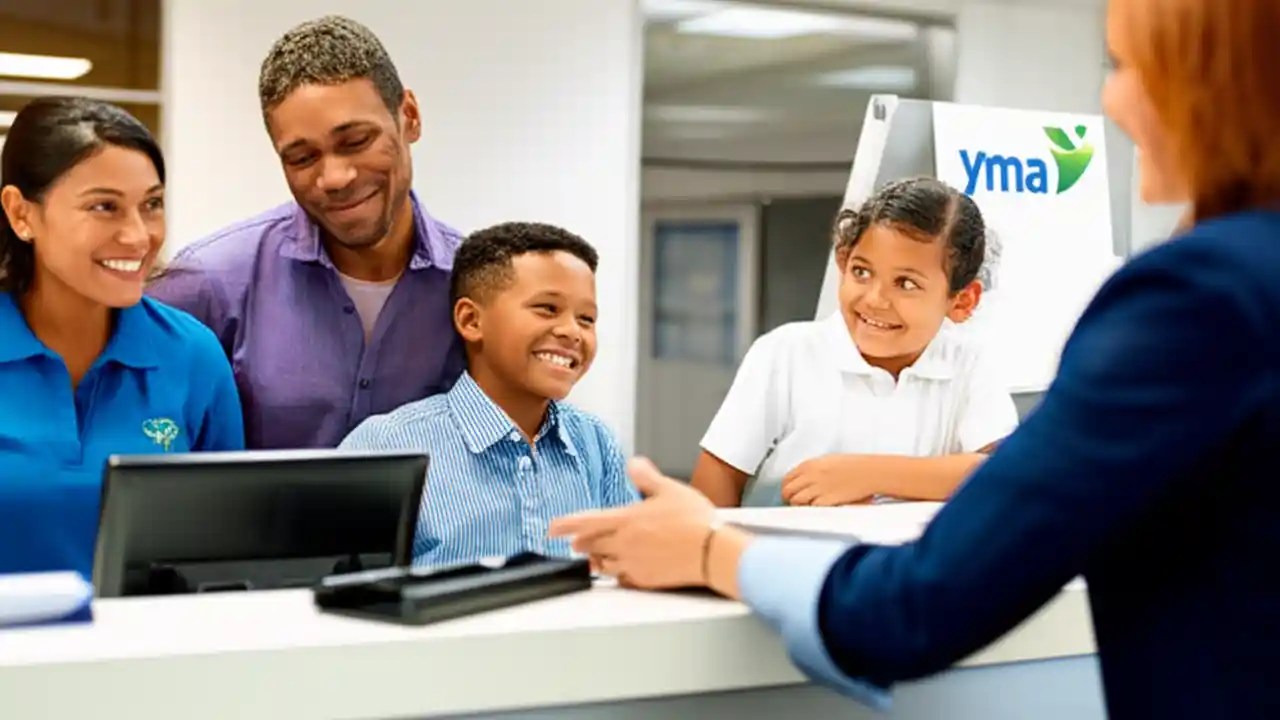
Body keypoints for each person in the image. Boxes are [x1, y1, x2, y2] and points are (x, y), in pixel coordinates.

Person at [550, 0, 1280, 716]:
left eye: (1127, 65)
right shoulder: (786, 354)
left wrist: (708, 550)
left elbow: (917, 607)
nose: (1111, 100)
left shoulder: (1203, 294)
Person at [148, 15, 464, 450]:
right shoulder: (209, 284)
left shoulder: (479, 287)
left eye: (355, 141)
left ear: (409, 116)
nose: (334, 177)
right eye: (301, 158)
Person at [0, 98, 244, 578]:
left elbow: (228, 555)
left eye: (151, 205)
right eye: (104, 207)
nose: (138, 236)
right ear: (21, 214)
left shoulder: (193, 357)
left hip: (151, 651)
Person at [694, 178, 1015, 507]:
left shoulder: (969, 364)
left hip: (906, 556)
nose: (875, 299)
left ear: (962, 301)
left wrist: (868, 475)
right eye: (861, 272)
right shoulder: (786, 354)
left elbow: (1006, 475)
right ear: (843, 262)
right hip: (787, 553)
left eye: (905, 283)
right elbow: (715, 483)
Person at [341, 222, 638, 567]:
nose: (573, 332)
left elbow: (628, 572)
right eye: (547, 308)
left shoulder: (596, 443)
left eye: (587, 318)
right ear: (471, 321)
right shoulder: (387, 446)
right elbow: (338, 591)